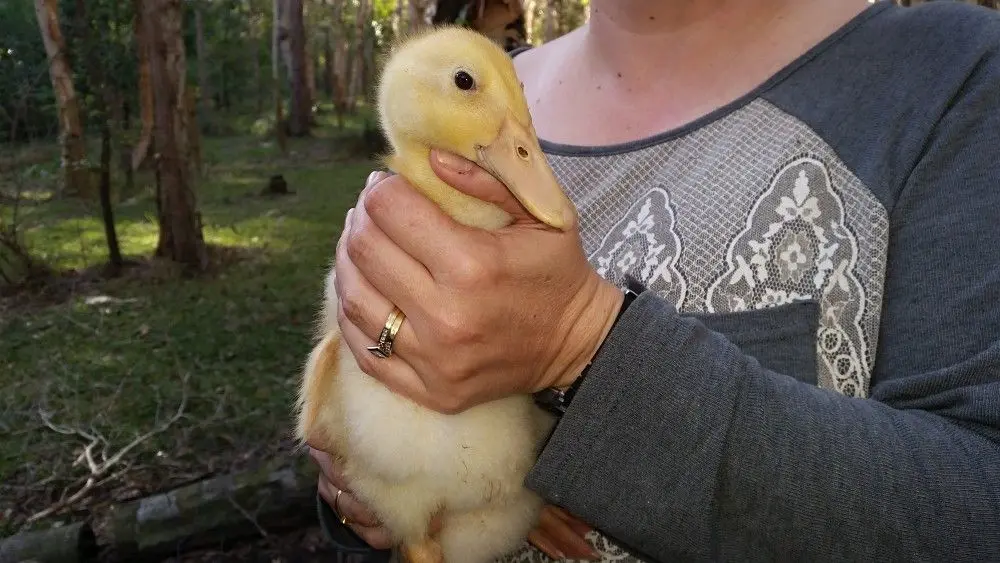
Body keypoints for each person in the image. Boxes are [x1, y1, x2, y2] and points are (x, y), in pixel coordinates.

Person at [308, 0, 1000, 561]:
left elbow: (975, 513)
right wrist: (367, 488)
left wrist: (582, 346)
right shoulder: (475, 94)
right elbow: (353, 425)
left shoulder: (953, 74)